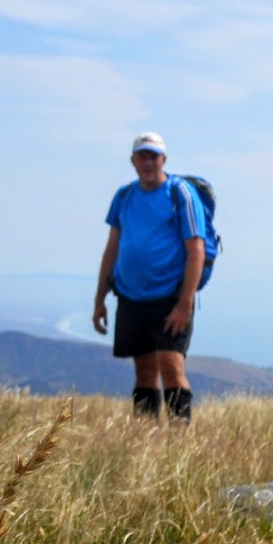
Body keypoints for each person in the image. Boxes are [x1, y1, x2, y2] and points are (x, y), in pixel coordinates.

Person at [93, 131, 207, 421]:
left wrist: (185, 303)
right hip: (132, 296)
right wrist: (99, 300)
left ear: (164, 160)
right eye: (142, 156)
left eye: (153, 156)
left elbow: (196, 249)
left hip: (170, 296)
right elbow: (112, 250)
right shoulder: (124, 196)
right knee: (144, 371)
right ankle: (145, 438)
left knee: (171, 365)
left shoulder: (179, 193)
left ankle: (181, 440)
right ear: (133, 161)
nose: (148, 162)